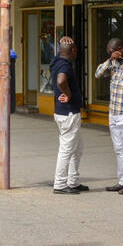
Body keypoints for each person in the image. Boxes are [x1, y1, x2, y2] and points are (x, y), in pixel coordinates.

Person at [94, 37, 123, 194]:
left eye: (112, 52)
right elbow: (98, 74)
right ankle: (121, 180)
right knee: (118, 149)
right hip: (113, 112)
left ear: (121, 49)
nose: (111, 55)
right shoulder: (113, 62)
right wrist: (109, 60)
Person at [50, 36, 87, 194]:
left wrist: (61, 41)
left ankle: (73, 181)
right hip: (69, 113)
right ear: (72, 51)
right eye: (75, 49)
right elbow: (60, 81)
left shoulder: (56, 61)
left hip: (62, 112)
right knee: (66, 149)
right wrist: (69, 93)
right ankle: (59, 184)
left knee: (77, 148)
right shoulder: (64, 65)